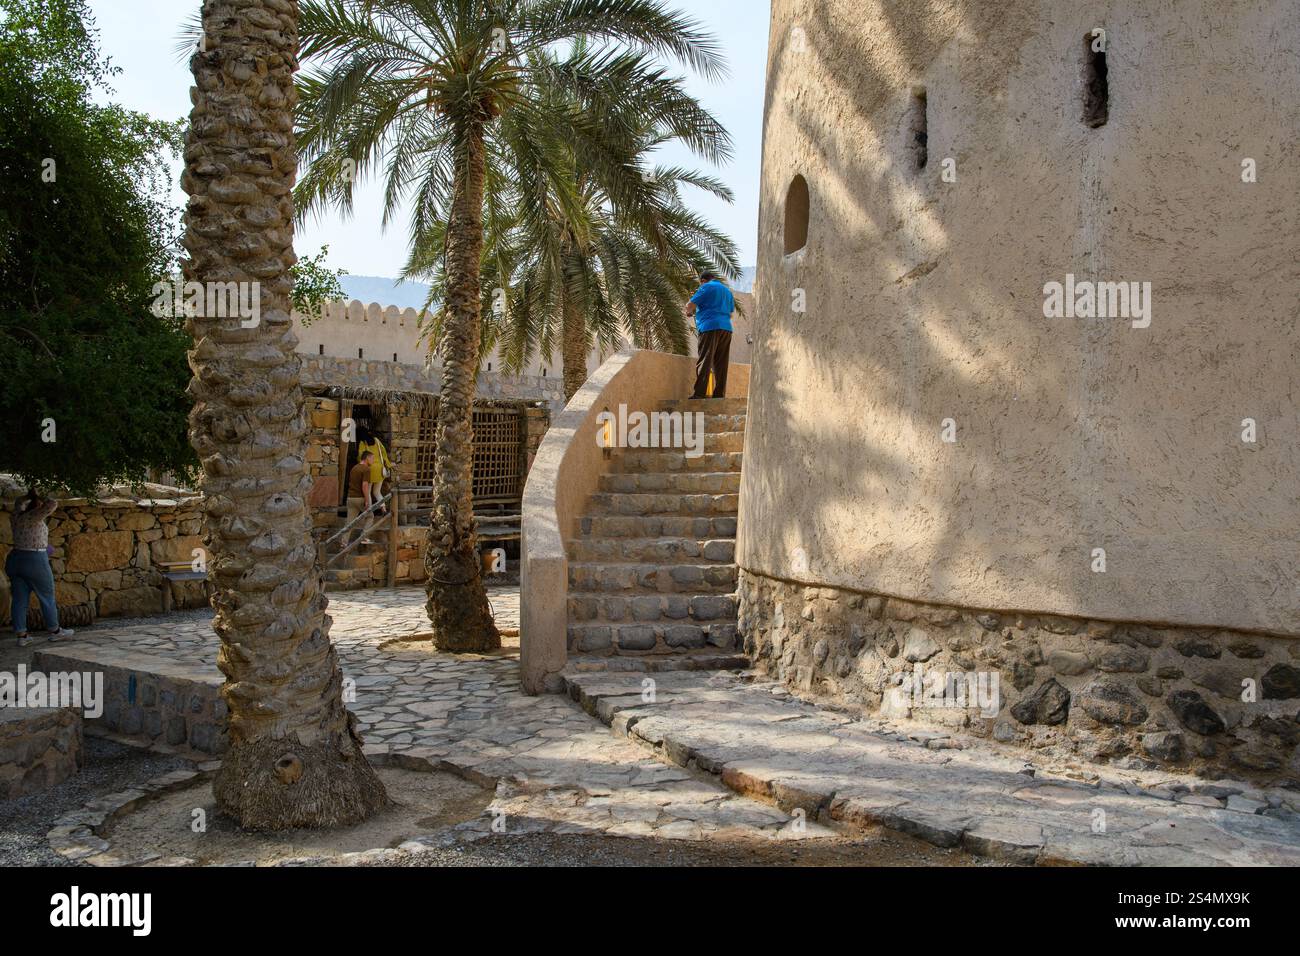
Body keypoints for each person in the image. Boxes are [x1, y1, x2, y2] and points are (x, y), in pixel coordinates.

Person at [6, 490, 74, 647]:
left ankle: (22, 635)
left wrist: (27, 497)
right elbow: (52, 504)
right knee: (47, 596)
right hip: (35, 560)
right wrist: (38, 496)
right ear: (38, 507)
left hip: (16, 559)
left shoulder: (16, 516)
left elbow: (18, 503)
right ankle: (55, 631)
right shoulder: (34, 516)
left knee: (19, 599)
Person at [685, 270, 734, 399]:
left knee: (705, 360)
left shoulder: (706, 287)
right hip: (726, 328)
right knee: (721, 363)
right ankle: (719, 395)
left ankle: (699, 394)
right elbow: (730, 314)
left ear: (703, 281)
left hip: (709, 327)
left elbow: (690, 305)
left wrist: (689, 312)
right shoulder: (727, 291)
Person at [356, 427, 392, 517]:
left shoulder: (363, 443)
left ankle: (369, 512)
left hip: (369, 470)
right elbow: (383, 453)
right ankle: (384, 510)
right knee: (377, 492)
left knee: (368, 493)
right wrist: (388, 464)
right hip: (380, 469)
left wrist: (359, 464)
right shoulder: (377, 440)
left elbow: (361, 456)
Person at [346, 450, 377, 547]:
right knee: (370, 516)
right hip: (360, 498)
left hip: (351, 498)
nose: (373, 460)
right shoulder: (366, 469)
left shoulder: (354, 468)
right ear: (367, 458)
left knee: (350, 522)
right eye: (372, 458)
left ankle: (344, 542)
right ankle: (364, 537)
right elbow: (365, 485)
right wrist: (367, 499)